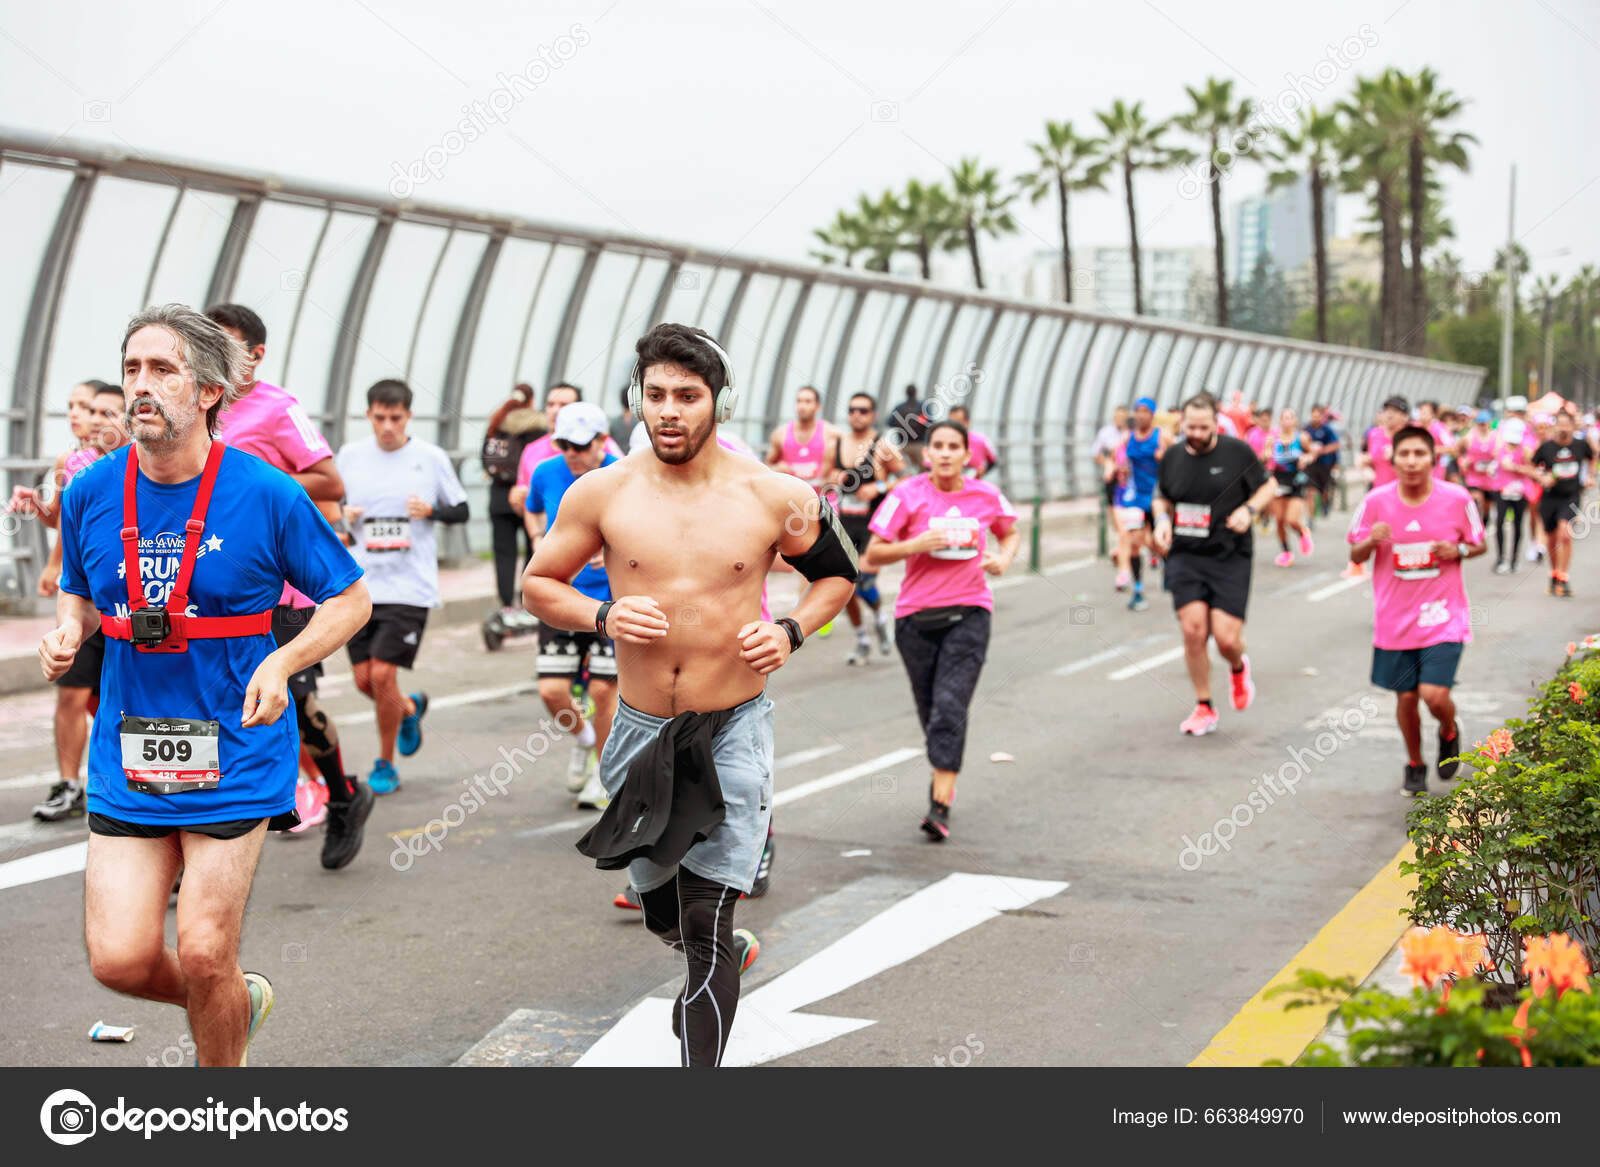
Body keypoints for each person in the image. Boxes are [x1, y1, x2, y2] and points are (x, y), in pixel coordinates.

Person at [42, 303, 368, 1065]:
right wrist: (67, 632)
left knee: (204, 949)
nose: (141, 386)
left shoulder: (267, 493)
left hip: (237, 746)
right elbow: (81, 595)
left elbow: (350, 598)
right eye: (132, 369)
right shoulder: (91, 492)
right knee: (119, 960)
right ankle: (236, 1001)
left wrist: (282, 661)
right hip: (129, 752)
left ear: (209, 391)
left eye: (163, 369)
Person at [523, 322, 856, 1068]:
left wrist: (794, 629)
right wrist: (602, 613)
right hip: (640, 730)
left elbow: (841, 572)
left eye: (688, 395)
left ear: (720, 403)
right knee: (661, 909)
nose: (670, 410)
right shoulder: (601, 491)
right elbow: (537, 584)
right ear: (635, 400)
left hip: (732, 725)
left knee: (705, 918)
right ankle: (721, 950)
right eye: (656, 394)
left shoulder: (775, 495)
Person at [206, 303, 372, 865]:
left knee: (294, 703)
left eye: (227, 348)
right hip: (207, 591)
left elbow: (330, 480)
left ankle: (344, 793)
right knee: (207, 704)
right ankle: (196, 836)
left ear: (255, 356)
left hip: (283, 594)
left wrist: (255, 484)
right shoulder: (196, 410)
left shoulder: (278, 409)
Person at [863, 420, 1020, 840]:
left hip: (970, 613)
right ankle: (942, 774)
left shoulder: (985, 495)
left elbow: (1011, 531)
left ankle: (940, 804)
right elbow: (873, 554)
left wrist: (1004, 558)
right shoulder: (907, 494)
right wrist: (915, 545)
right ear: (927, 453)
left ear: (968, 456)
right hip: (915, 619)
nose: (946, 453)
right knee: (931, 711)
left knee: (950, 707)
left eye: (955, 446)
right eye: (939, 446)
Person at [337, 379, 470, 794]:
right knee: (364, 680)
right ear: (369, 415)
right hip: (358, 584)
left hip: (409, 586)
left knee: (381, 675)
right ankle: (409, 709)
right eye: (380, 418)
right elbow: (327, 507)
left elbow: (462, 509)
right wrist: (343, 515)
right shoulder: (350, 456)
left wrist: (431, 509)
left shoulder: (429, 458)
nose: (388, 426)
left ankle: (385, 763)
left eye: (396, 418)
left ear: (409, 416)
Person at [1347, 426, 1485, 795]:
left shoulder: (1457, 499)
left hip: (1443, 616)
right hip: (1394, 620)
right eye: (1404, 454)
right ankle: (1415, 763)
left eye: (1419, 454)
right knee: (1406, 698)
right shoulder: (1376, 501)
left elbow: (1479, 544)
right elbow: (1355, 553)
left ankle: (1448, 730)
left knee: (1433, 695)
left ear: (1433, 459)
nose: (1411, 462)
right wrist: (1370, 542)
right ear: (1392, 459)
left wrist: (1459, 551)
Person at [24, 382, 127, 821]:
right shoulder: (74, 465)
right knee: (71, 693)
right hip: (85, 601)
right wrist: (53, 563)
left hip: (135, 608)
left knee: (122, 703)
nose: (84, 418)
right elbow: (67, 522)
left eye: (102, 411)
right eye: (84, 410)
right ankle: (70, 785)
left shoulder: (152, 469)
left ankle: (137, 785)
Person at [1151, 393, 1276, 737]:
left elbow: (1269, 488)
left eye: (1203, 427)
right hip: (1186, 554)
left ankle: (1237, 666)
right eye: (1190, 426)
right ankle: (1204, 705)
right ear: (1182, 424)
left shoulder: (1237, 452)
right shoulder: (1173, 456)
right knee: (1193, 630)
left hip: (1229, 555)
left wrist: (1248, 511)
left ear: (1215, 424)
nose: (1196, 432)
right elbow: (1161, 495)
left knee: (1224, 638)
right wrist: (1162, 519)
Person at [524, 401, 620, 807]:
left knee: (602, 690)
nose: (572, 454)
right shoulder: (546, 472)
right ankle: (584, 740)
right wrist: (536, 543)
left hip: (612, 599)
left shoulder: (624, 473)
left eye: (580, 445)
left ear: (601, 440)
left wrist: (611, 548)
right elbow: (531, 510)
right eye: (564, 444)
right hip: (560, 597)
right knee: (551, 691)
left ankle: (603, 770)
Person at [827, 391, 904, 665]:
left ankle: (881, 619)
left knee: (864, 581)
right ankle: (862, 637)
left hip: (872, 524)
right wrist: (836, 476)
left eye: (863, 410)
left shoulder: (882, 446)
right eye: (852, 410)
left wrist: (878, 486)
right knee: (845, 585)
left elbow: (906, 478)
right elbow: (827, 474)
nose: (856, 415)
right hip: (845, 521)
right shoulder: (837, 444)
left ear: (872, 415)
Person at [481, 383, 546, 634]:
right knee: (533, 548)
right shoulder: (537, 426)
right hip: (527, 496)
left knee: (504, 554)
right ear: (531, 401)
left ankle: (507, 606)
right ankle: (527, 603)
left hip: (499, 499)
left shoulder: (496, 424)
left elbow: (484, 461)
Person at [509, 383, 622, 512]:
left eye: (563, 405)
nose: (555, 410)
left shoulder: (608, 448)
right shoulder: (532, 451)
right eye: (550, 404)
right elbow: (528, 504)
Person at [1109, 396, 1170, 610]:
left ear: (1152, 414)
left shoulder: (1162, 436)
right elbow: (1115, 456)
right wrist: (1118, 468)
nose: (1141, 414)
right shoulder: (1128, 438)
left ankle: (1165, 562)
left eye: (1145, 410)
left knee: (1158, 542)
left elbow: (1177, 459)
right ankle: (1138, 588)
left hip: (1156, 497)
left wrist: (1164, 457)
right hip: (1135, 496)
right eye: (1138, 410)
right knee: (1134, 542)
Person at [1529, 409, 1594, 599]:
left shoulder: (1581, 445)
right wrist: (1542, 478)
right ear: (1554, 426)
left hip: (1571, 496)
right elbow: (1532, 467)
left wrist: (1589, 476)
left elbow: (1593, 456)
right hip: (1550, 498)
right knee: (1551, 538)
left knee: (1564, 533)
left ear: (1573, 427)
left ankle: (1564, 576)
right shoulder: (1546, 447)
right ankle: (1554, 573)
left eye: (1567, 424)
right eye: (1560, 424)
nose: (1563, 428)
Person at [1265, 408, 1316, 567]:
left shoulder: (1301, 437)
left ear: (1295, 420)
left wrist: (1306, 458)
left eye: (1290, 418)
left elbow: (1312, 453)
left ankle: (1302, 532)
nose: (1287, 421)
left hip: (1296, 482)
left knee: (1291, 520)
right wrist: (1267, 454)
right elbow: (1265, 454)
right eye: (1284, 418)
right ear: (1280, 421)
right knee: (1279, 520)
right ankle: (1286, 552)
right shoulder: (1273, 439)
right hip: (1278, 482)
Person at [765, 384, 836, 493]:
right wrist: (776, 469)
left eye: (808, 401)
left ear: (818, 406)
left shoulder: (831, 433)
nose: (802, 406)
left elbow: (843, 467)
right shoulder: (780, 433)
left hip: (821, 499)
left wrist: (833, 477)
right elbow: (766, 469)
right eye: (799, 401)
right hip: (791, 499)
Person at [1459, 410, 1507, 569]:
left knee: (1487, 508)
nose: (1482, 426)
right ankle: (1475, 526)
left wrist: (1495, 458)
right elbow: (1457, 451)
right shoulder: (1469, 437)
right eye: (1479, 423)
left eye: (1484, 423)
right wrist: (1463, 461)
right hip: (1474, 477)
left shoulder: (1496, 437)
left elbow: (1502, 454)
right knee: (1476, 500)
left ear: (1489, 423)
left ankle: (1483, 525)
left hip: (1490, 479)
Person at [1361, 396, 1409, 492]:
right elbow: (1370, 458)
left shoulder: (1411, 436)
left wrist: (1399, 452)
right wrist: (1364, 466)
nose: (1390, 414)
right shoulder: (1374, 434)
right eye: (1387, 410)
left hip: (1404, 493)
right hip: (1379, 492)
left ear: (1405, 416)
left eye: (1395, 410)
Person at [1092, 405, 1130, 514]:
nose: (1119, 419)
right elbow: (1095, 453)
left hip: (1127, 475)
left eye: (1122, 417)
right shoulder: (1106, 432)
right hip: (1114, 475)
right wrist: (1108, 464)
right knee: (1112, 504)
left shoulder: (1131, 432)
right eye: (1117, 416)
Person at [1305, 403, 1340, 517]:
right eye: (1313, 415)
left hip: (1324, 464)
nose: (1315, 418)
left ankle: (1326, 503)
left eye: (1317, 415)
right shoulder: (1306, 429)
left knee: (1323, 490)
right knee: (1311, 490)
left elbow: (1335, 445)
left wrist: (1322, 450)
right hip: (1311, 465)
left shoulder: (1327, 429)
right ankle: (1310, 517)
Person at [945, 406, 996, 479]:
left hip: (973, 486)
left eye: (958, 422)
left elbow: (993, 461)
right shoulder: (941, 443)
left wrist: (983, 471)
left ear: (967, 422)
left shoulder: (981, 441)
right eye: (951, 422)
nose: (954, 426)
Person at [888, 384, 929, 474]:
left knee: (904, 473)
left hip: (903, 445)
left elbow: (889, 422)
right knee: (924, 472)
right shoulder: (922, 407)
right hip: (919, 445)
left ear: (906, 393)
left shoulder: (899, 408)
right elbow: (930, 423)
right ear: (916, 393)